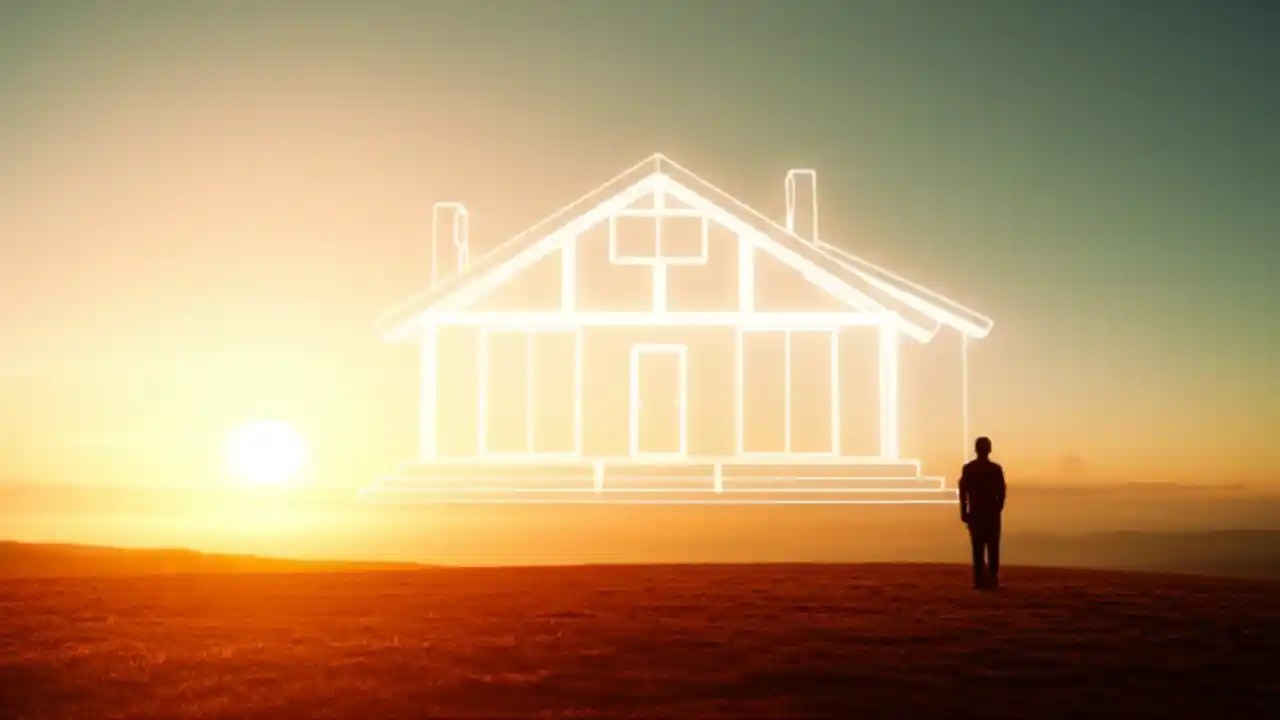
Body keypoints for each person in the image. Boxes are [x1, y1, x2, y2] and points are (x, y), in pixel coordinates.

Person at [958, 436, 1006, 590]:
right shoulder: (995, 469)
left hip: (978, 513)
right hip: (989, 514)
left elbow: (962, 491)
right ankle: (990, 579)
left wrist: (964, 511)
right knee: (992, 548)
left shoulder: (969, 468)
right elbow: (1002, 492)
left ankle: (980, 581)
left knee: (978, 548)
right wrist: (997, 508)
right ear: (989, 449)